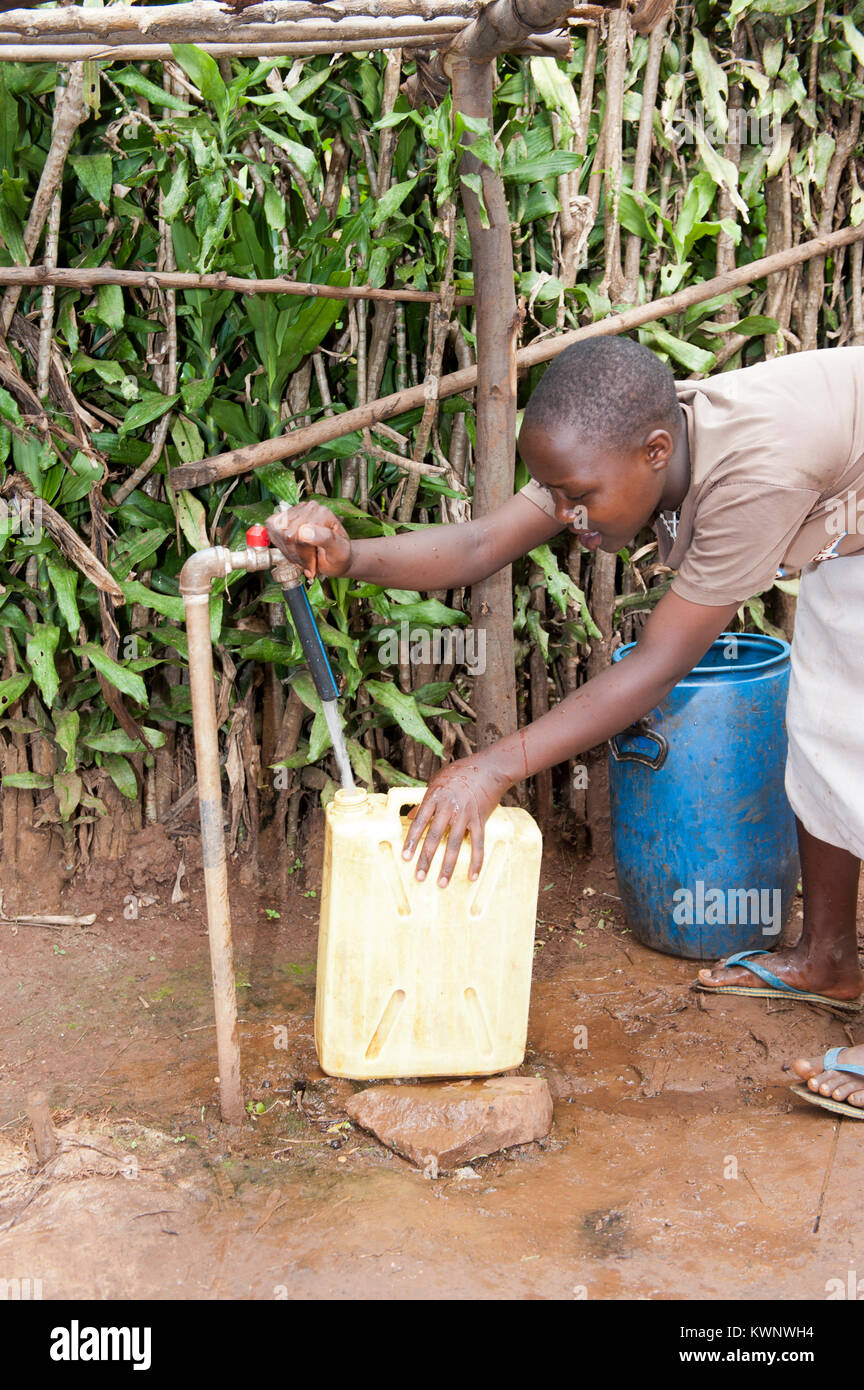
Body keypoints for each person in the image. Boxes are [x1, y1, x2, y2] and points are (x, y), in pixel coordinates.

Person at [267, 336, 864, 1117]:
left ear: (656, 452)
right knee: (826, 738)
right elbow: (481, 544)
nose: (567, 514)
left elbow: (655, 667)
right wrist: (348, 559)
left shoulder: (752, 477)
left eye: (577, 494)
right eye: (554, 493)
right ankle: (828, 961)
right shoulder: (610, 450)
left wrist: (494, 767)